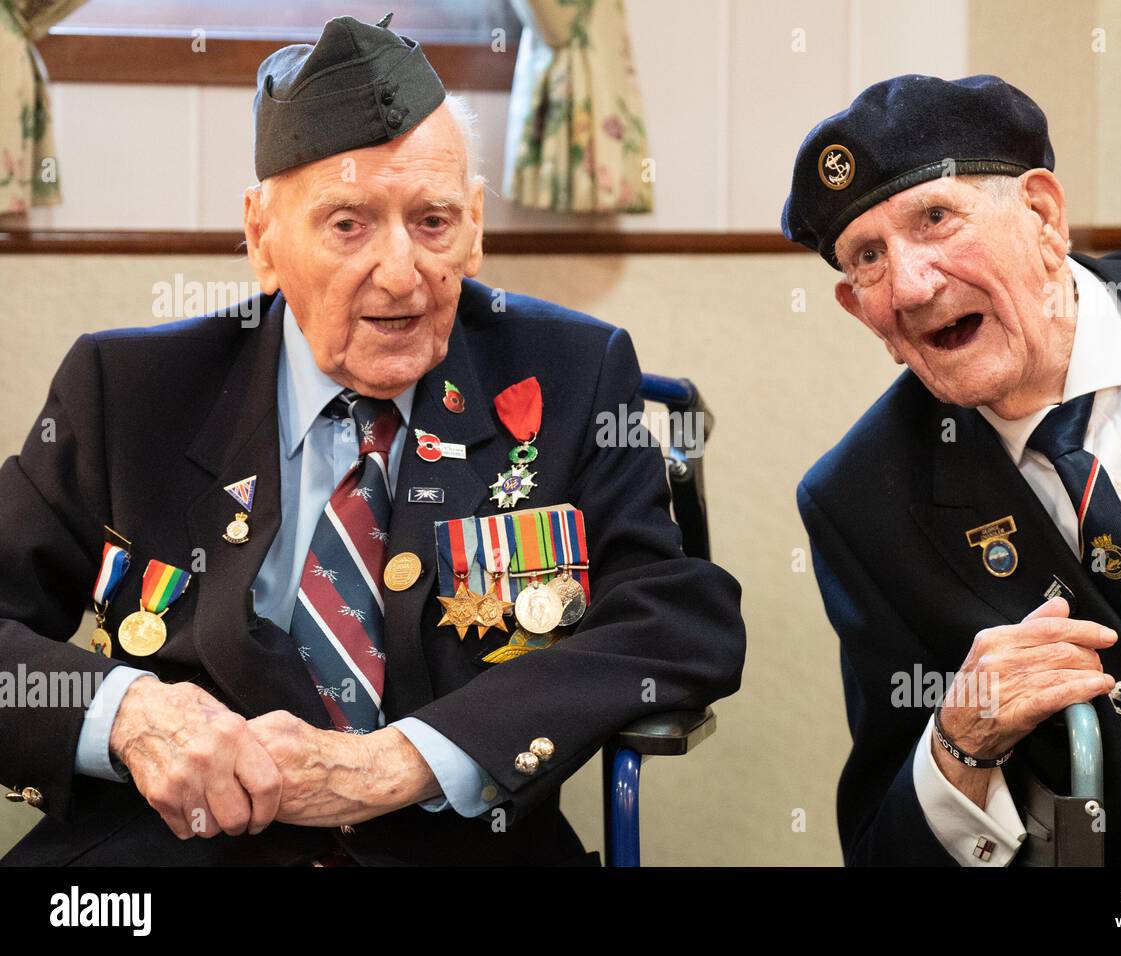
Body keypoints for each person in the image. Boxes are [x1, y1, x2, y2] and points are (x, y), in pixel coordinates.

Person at [0, 14, 744, 866]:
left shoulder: (573, 372)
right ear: (260, 237)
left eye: (432, 222)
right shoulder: (128, 390)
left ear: (475, 228)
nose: (401, 273)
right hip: (169, 845)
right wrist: (127, 713)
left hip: (458, 843)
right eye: (348, 224)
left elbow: (679, 619)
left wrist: (407, 759)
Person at [785, 73, 1121, 866]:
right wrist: (961, 745)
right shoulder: (865, 502)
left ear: (1042, 214)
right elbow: (885, 849)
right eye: (870, 258)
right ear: (862, 312)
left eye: (936, 218)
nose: (916, 284)